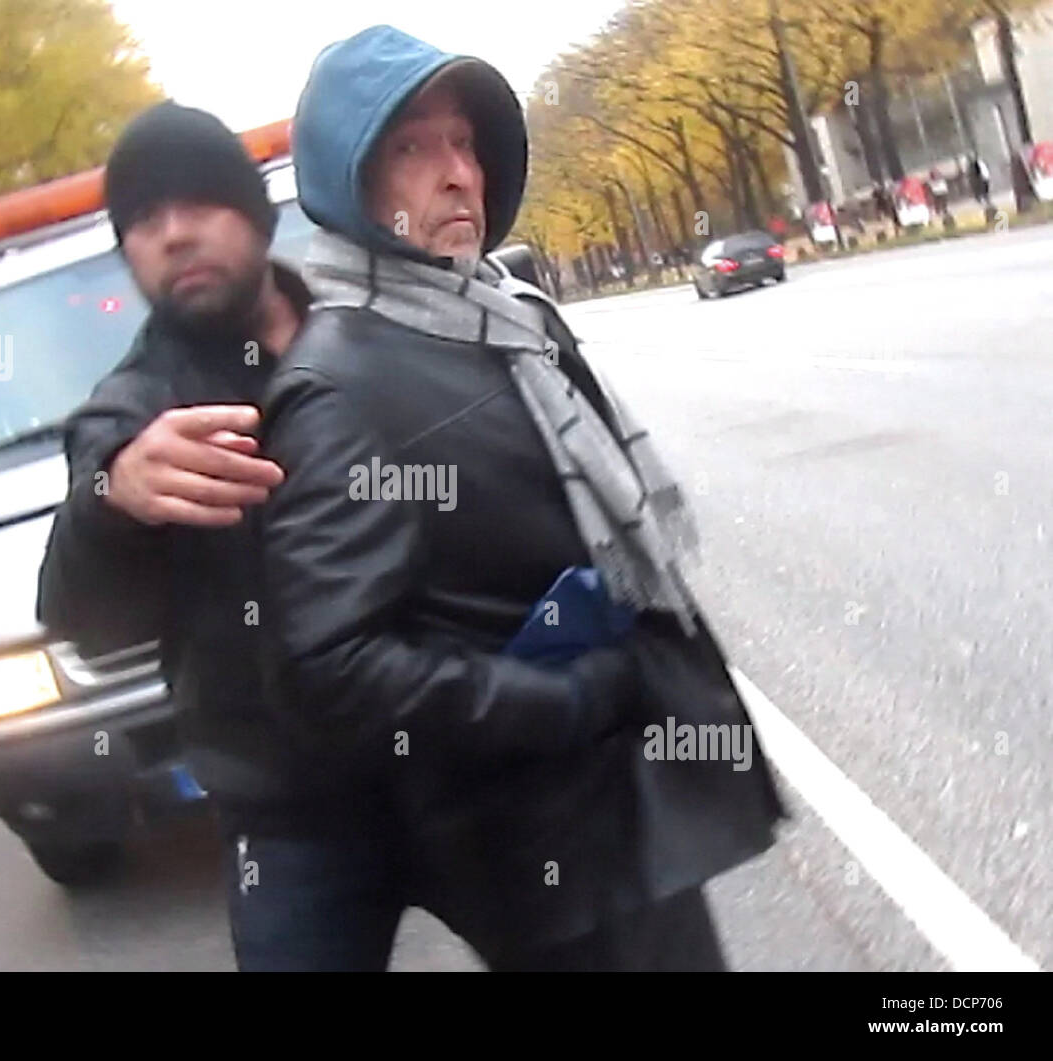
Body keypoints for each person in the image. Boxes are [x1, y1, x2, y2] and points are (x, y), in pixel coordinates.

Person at [258, 24, 786, 971]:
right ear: (351, 180)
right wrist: (563, 699)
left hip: (624, 807)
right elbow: (334, 669)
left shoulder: (508, 318)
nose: (458, 174)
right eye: (413, 148)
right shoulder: (337, 386)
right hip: (540, 845)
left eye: (464, 142)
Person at [35, 102, 387, 970]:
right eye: (144, 221)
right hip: (289, 815)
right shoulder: (130, 412)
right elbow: (81, 617)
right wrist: (112, 499)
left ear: (258, 214)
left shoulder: (372, 321)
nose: (174, 234)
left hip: (461, 753)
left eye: (199, 202)